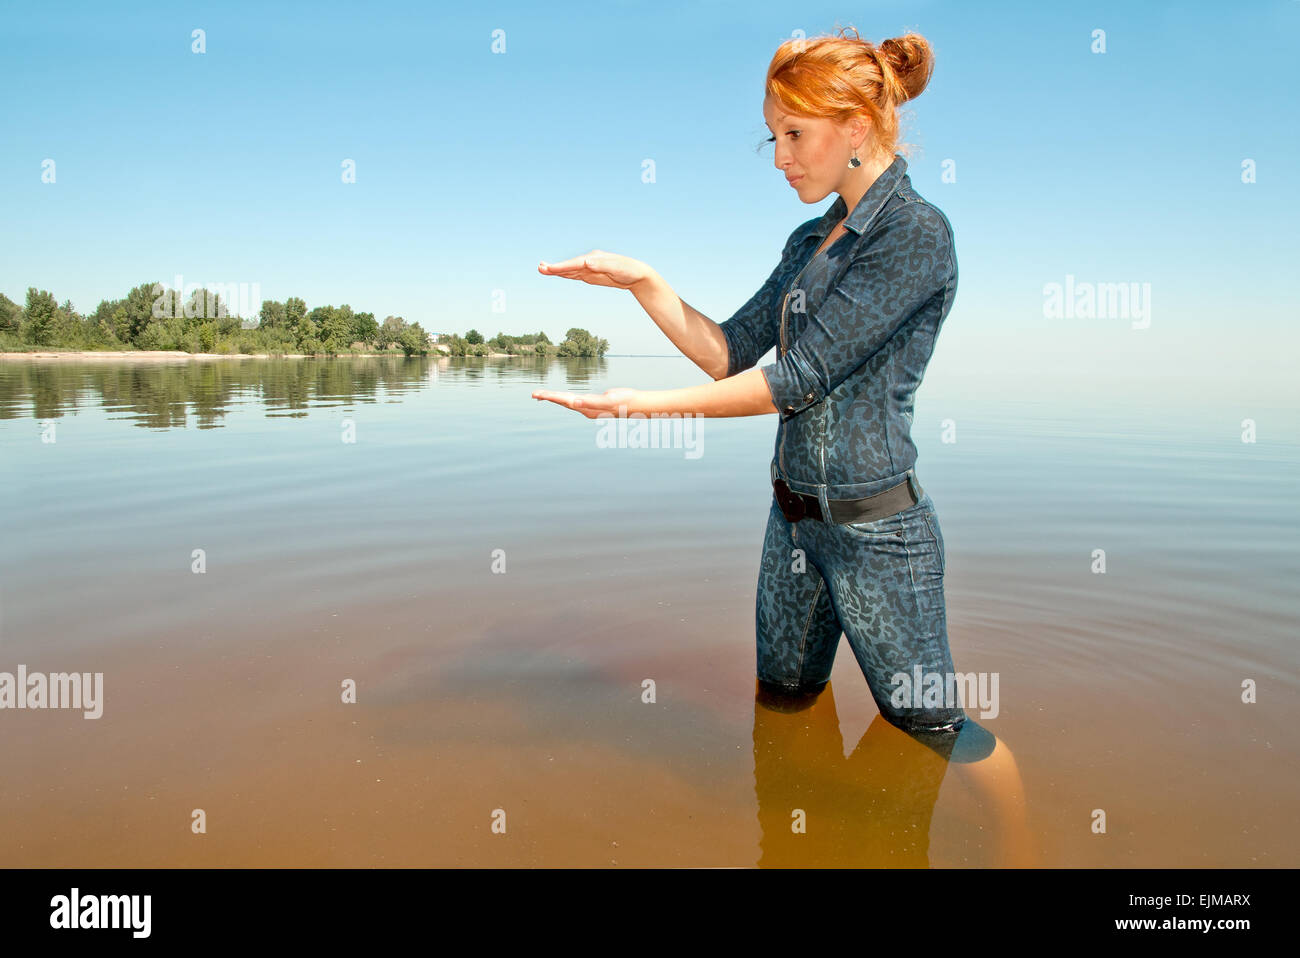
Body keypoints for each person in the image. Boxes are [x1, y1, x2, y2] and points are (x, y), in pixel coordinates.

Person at [533, 28, 994, 750]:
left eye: (793, 133)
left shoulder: (915, 233)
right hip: (792, 529)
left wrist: (634, 406)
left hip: (877, 534)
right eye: (772, 137)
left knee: (931, 732)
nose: (779, 157)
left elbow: (797, 381)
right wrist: (644, 285)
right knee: (782, 706)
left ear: (856, 127)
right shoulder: (810, 241)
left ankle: (1022, 846)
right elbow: (730, 353)